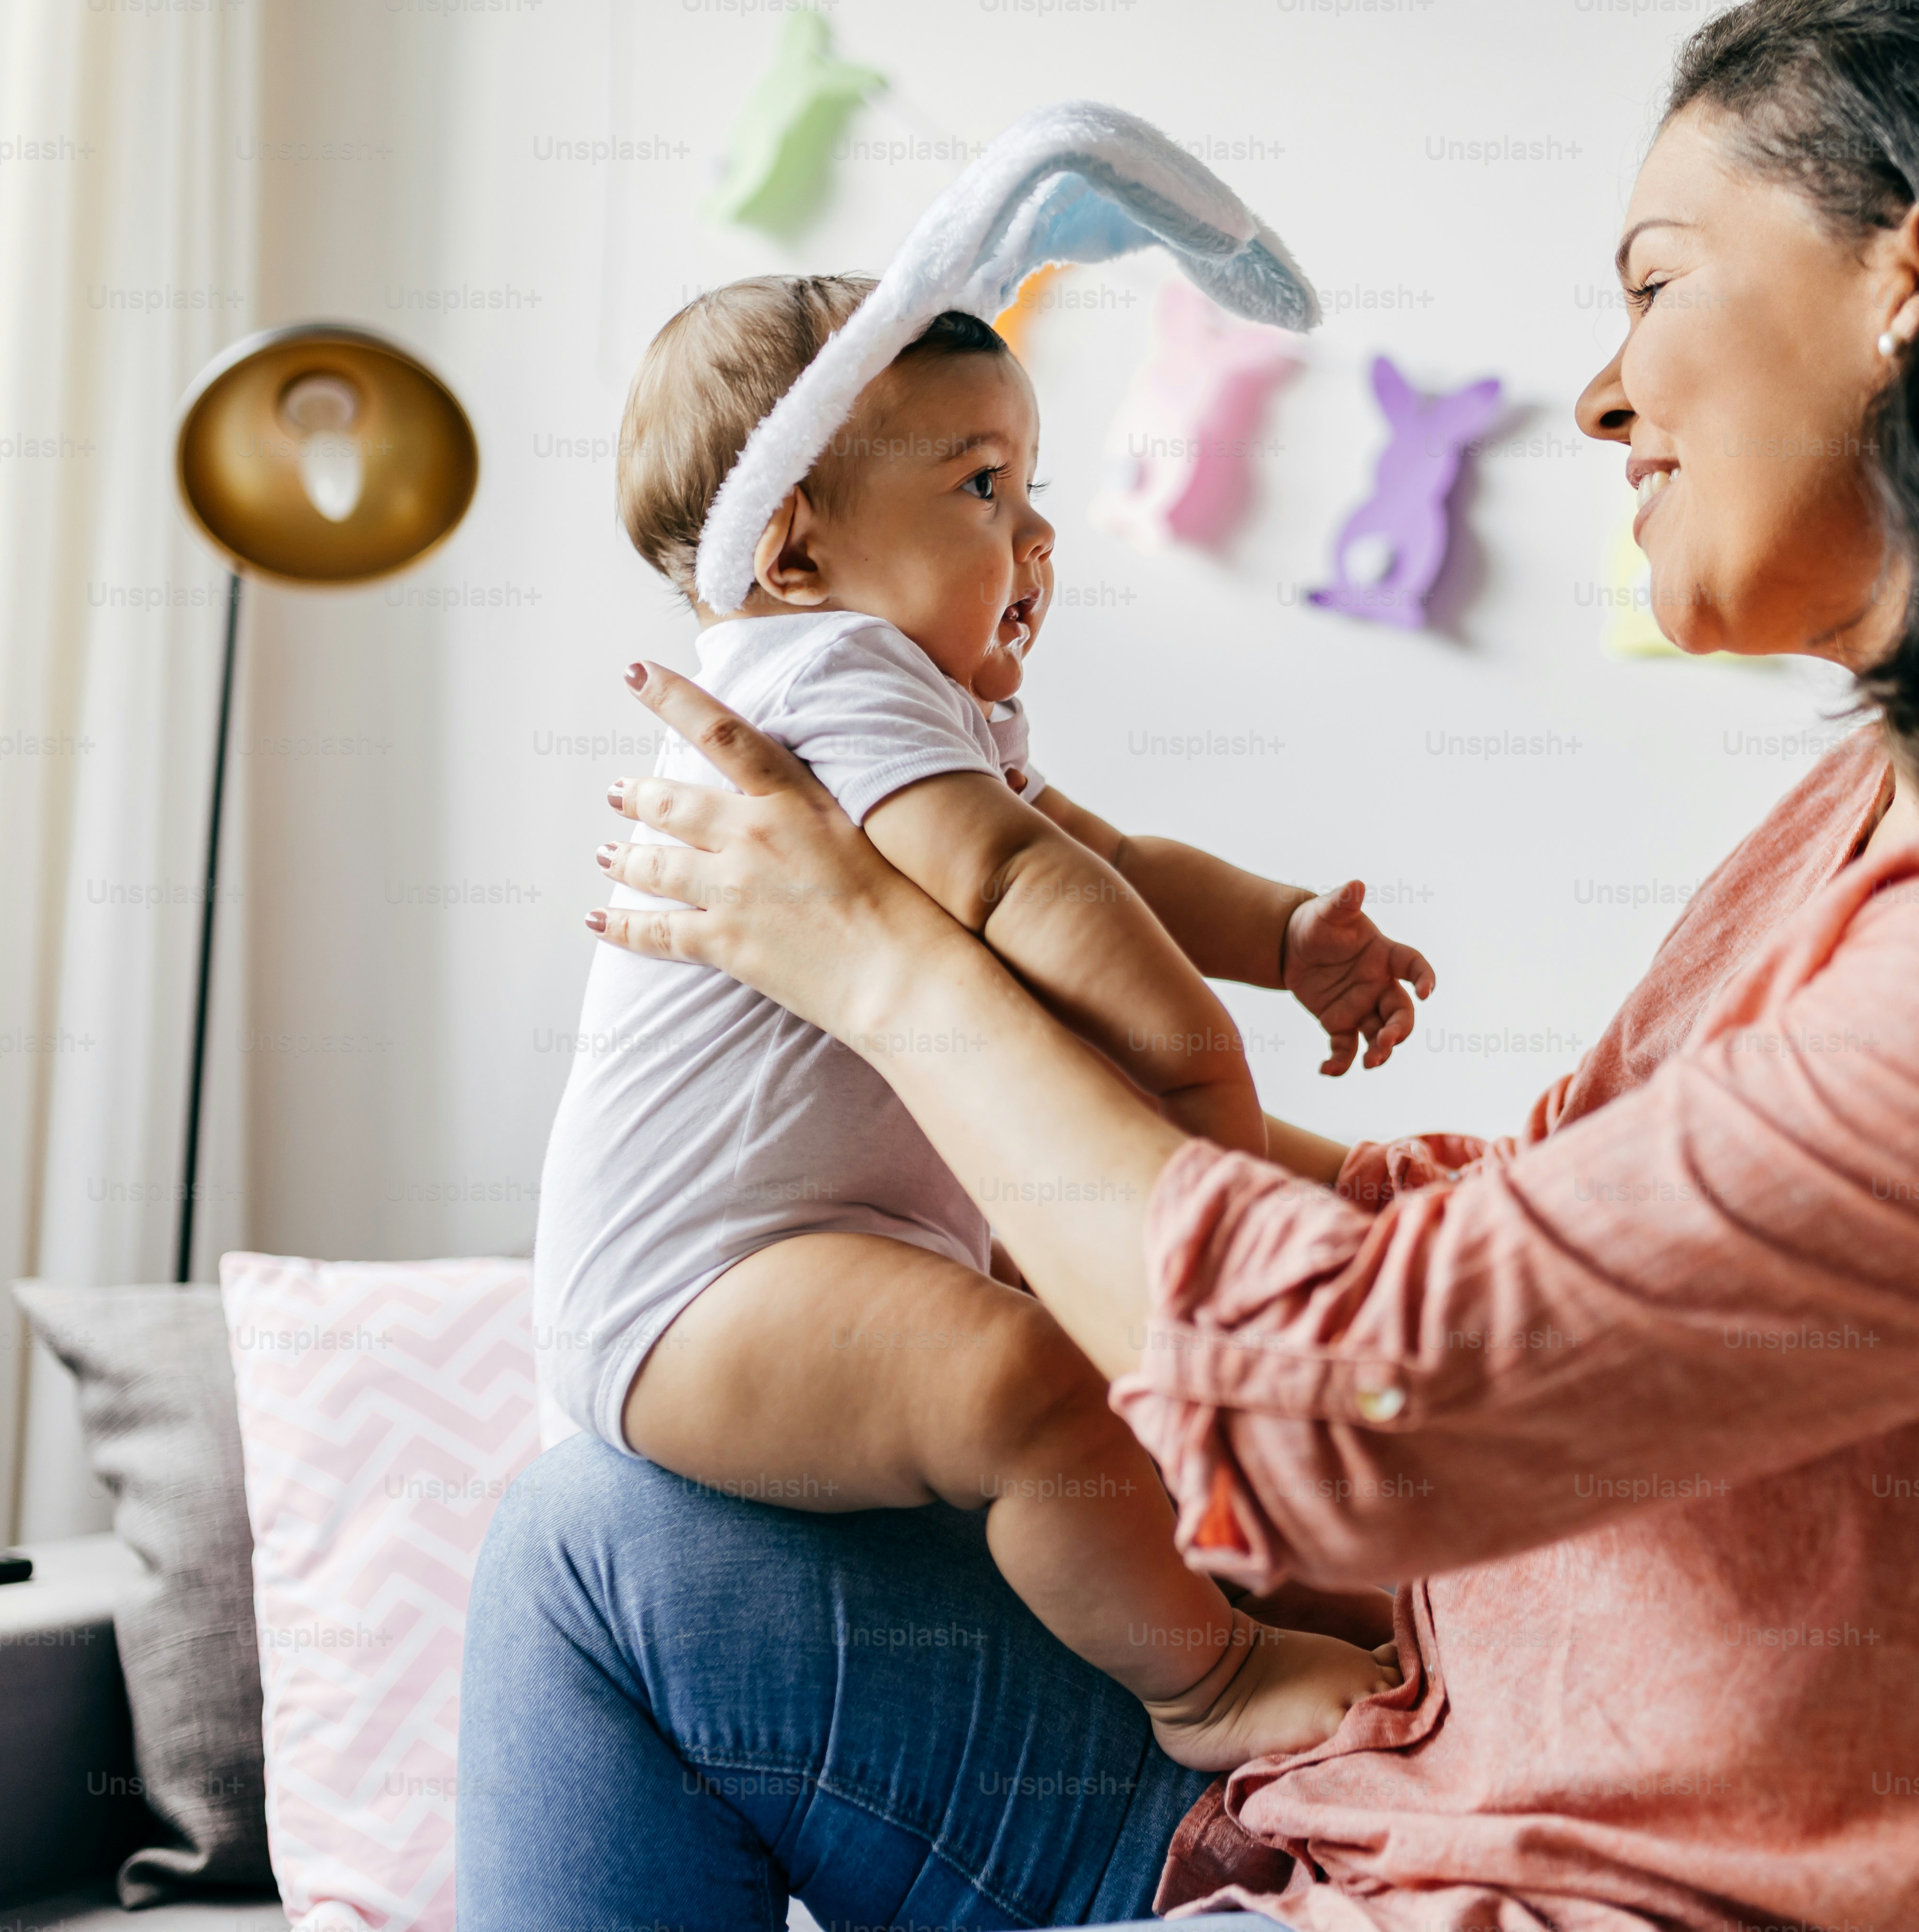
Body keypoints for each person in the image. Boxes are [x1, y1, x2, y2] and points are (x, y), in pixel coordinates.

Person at [462, 0, 1919, 1928]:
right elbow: (1525, 1243)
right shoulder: (1891, 800)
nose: (1602, 396)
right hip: (1397, 1773)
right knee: (594, 1543)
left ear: (1908, 278)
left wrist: (875, 963)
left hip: (1608, 1886)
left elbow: (1381, 1403)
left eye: (1657, 281)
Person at [531, 275, 1435, 1771]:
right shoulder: (822, 671)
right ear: (794, 540)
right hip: (694, 1291)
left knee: (1066, 1378)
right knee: (1036, 1390)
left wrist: (1282, 932)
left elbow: (1102, 862)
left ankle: (1250, 1610)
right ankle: (1202, 1682)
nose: (1035, 536)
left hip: (794, 1260)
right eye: (978, 485)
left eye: (1033, 488)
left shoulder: (911, 700)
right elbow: (1015, 877)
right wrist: (1189, 1045)